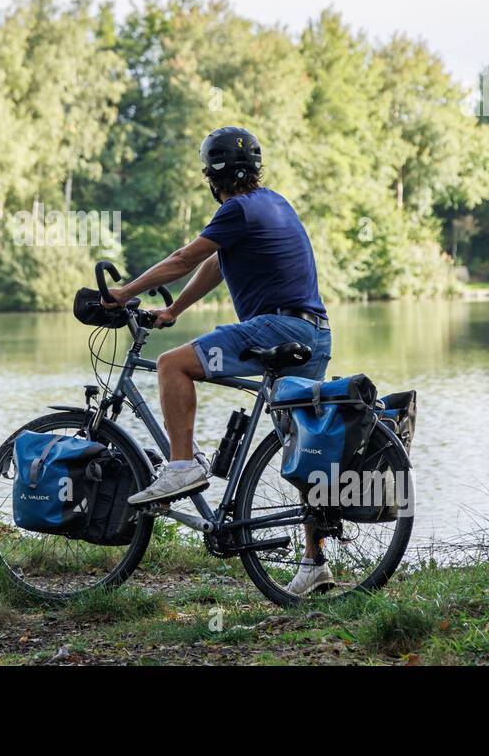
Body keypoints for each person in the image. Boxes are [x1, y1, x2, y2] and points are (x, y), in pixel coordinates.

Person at [102, 127, 335, 596]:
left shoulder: (235, 210)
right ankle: (314, 564)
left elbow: (184, 258)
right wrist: (173, 310)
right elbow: (213, 264)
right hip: (316, 334)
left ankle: (183, 464)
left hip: (277, 328)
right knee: (300, 444)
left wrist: (122, 293)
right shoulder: (273, 202)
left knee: (172, 365)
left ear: (213, 177)